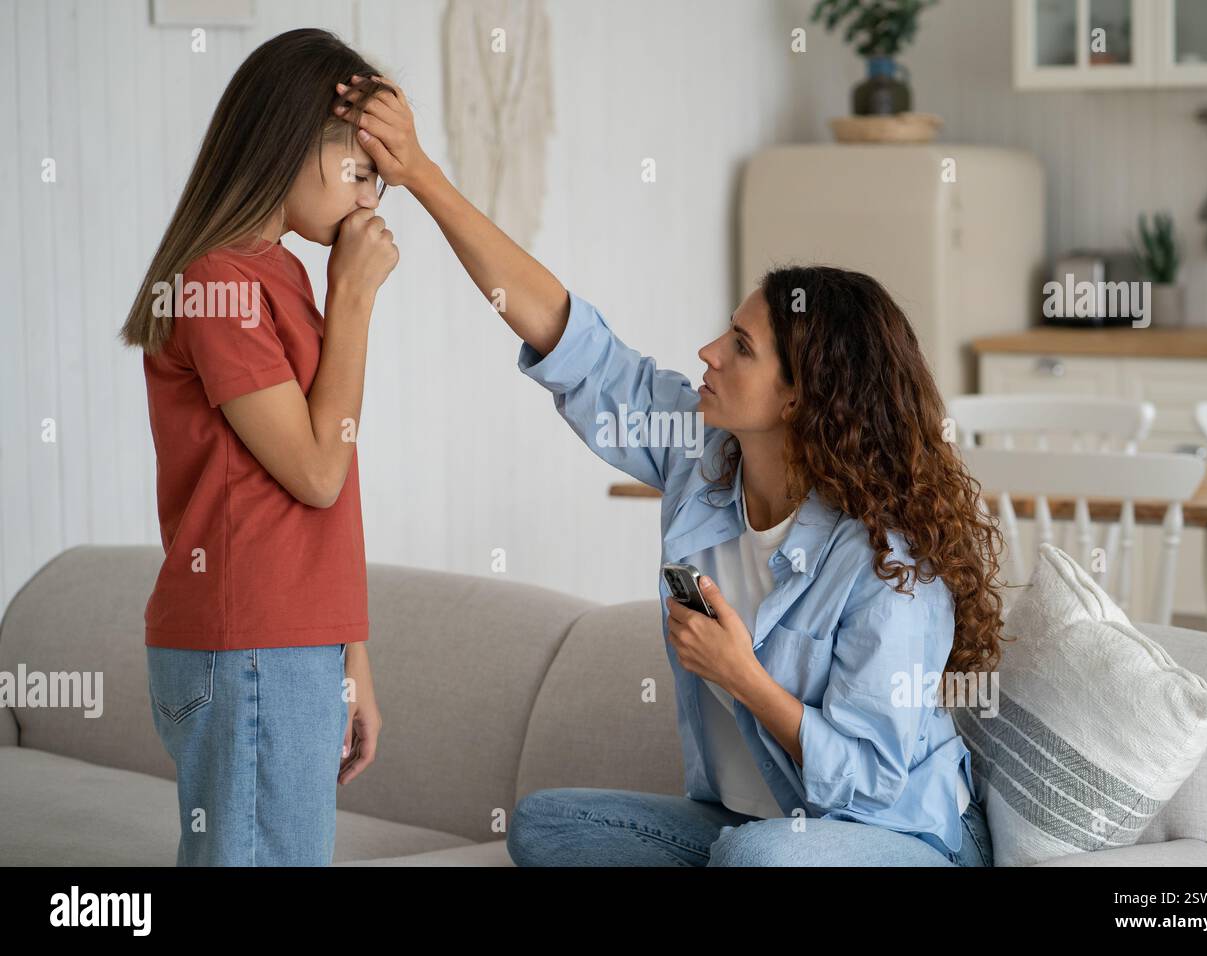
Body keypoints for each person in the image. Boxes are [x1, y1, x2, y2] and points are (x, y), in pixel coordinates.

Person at [333, 74, 1006, 867]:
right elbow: (572, 343)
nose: (708, 354)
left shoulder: (889, 568)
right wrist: (420, 175)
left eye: (742, 349)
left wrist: (746, 680)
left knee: (760, 860)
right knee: (546, 825)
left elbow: (869, 781)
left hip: (899, 837)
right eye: (728, 332)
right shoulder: (703, 457)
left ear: (802, 400)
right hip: (750, 826)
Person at [118, 29, 396, 866]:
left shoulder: (277, 274)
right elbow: (317, 471)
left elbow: (322, 494)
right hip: (251, 648)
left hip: (286, 644)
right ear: (293, 137)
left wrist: (352, 658)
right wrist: (354, 302)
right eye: (363, 167)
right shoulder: (219, 282)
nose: (372, 197)